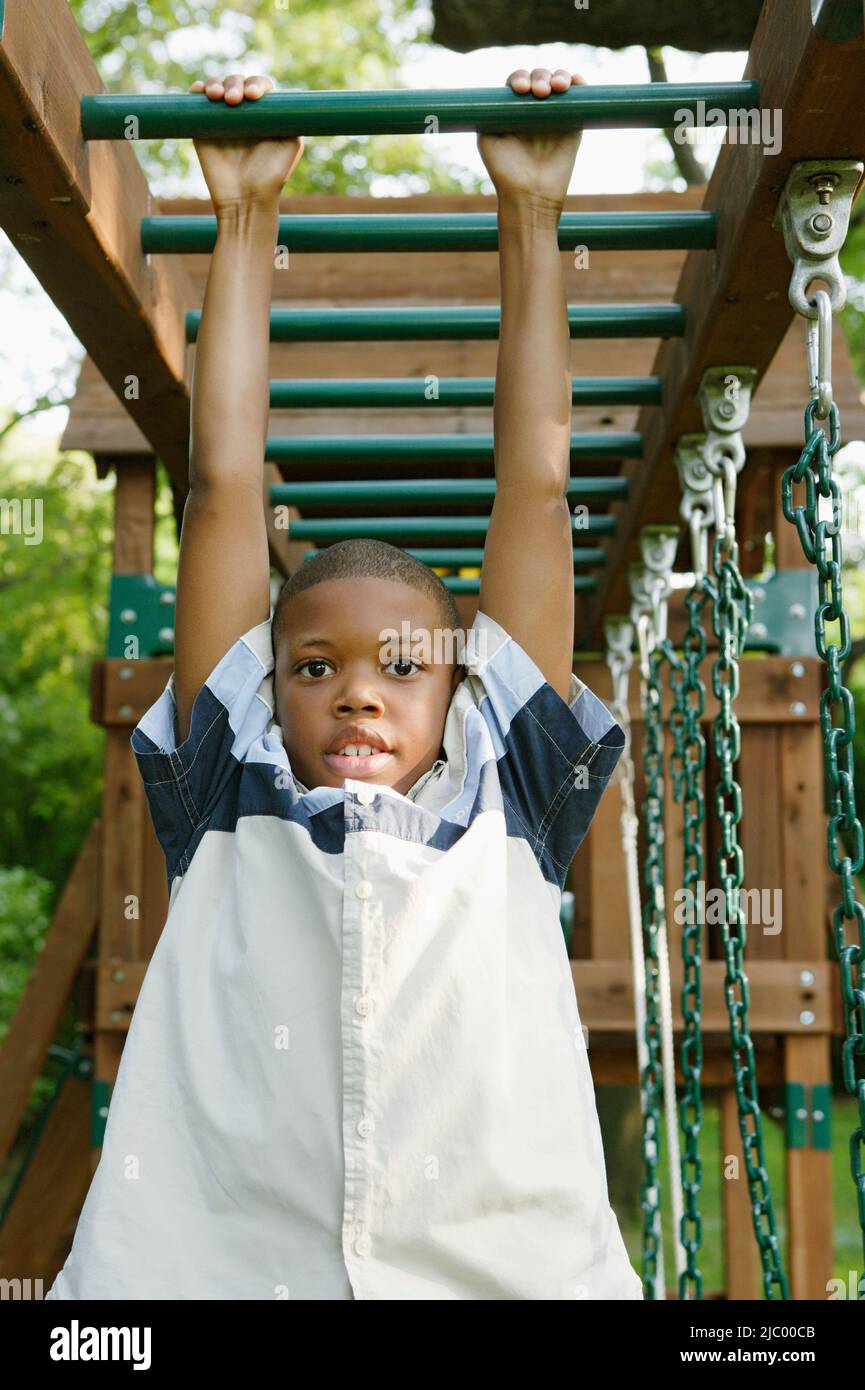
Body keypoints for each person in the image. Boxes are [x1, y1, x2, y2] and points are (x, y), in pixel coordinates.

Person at [46, 66, 643, 1301]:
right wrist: (246, 218)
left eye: (401, 667)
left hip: (490, 1264)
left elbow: (532, 488)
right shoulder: (229, 780)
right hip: (218, 1263)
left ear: (461, 682)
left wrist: (529, 211)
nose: (358, 693)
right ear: (271, 682)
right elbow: (221, 488)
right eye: (313, 667)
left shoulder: (512, 780)